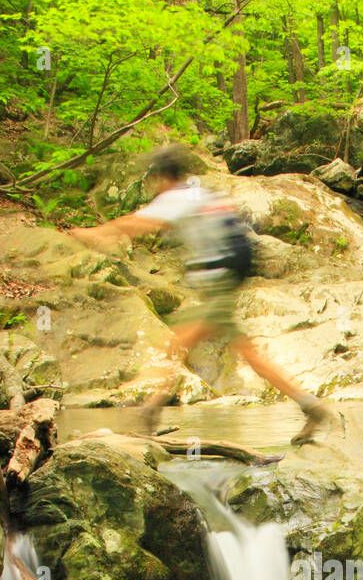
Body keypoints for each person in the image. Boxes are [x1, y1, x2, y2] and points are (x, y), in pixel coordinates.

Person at [68, 145, 333, 444]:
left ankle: (148, 416)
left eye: (155, 179)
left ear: (163, 177)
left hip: (220, 280)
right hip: (227, 279)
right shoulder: (200, 194)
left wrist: (92, 233)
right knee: (244, 353)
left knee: (178, 343)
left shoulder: (179, 197)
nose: (155, 186)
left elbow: (138, 224)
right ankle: (310, 406)